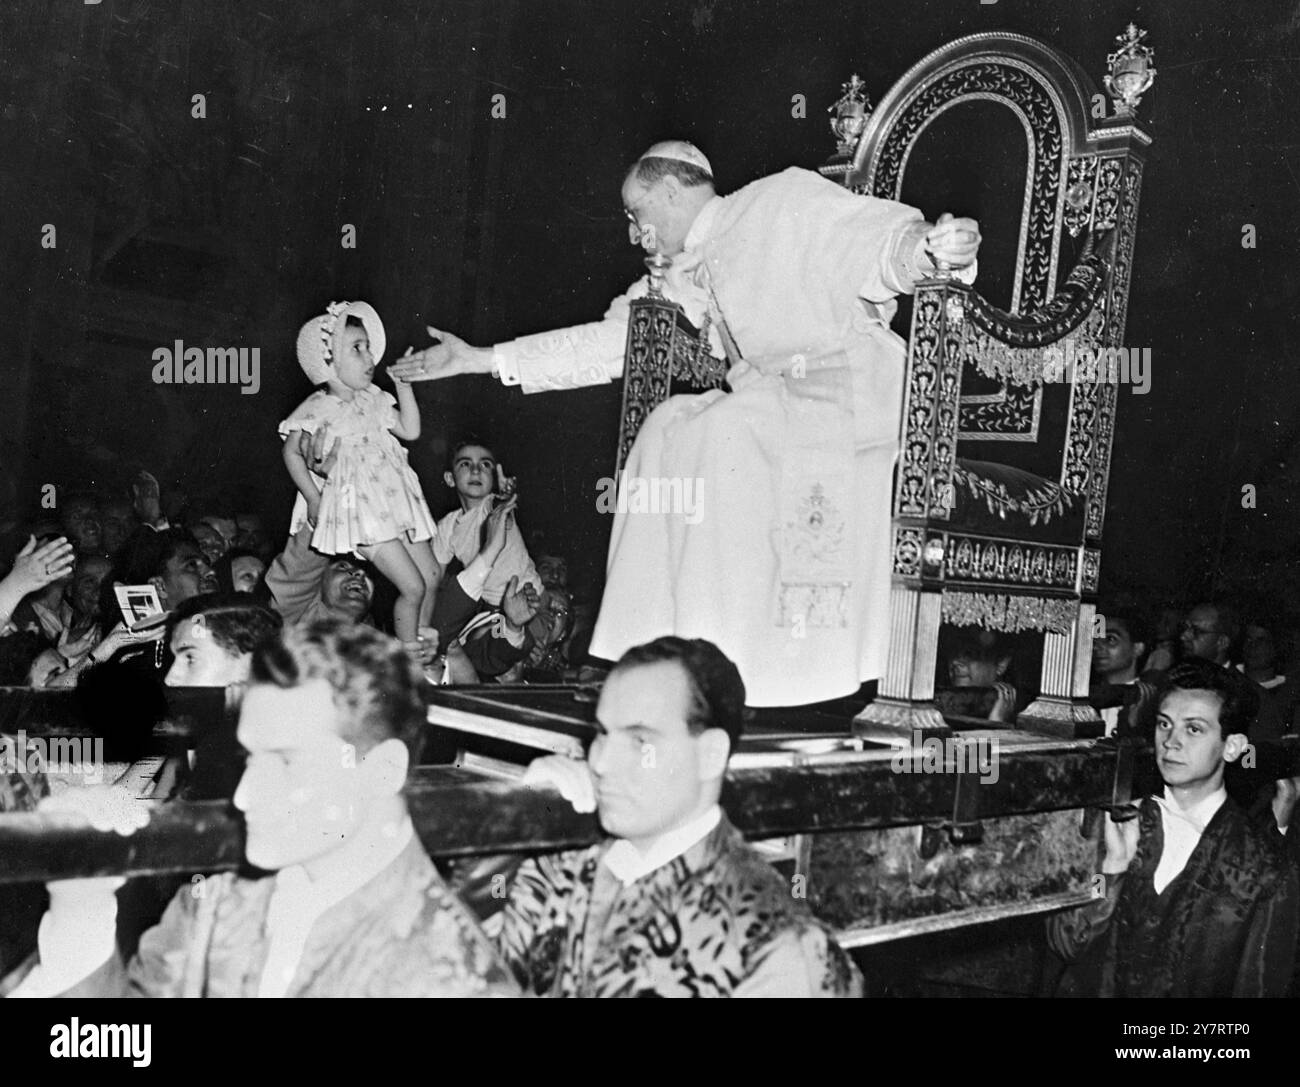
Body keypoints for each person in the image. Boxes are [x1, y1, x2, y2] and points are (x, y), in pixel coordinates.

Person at [392, 140, 980, 706]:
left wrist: (932, 247)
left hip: (848, 386)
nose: (631, 231)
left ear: (671, 191)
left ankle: (760, 661)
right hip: (771, 402)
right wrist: (480, 359)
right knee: (667, 429)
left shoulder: (778, 198)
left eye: (635, 212)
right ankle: (657, 653)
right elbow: (605, 344)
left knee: (716, 433)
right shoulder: (681, 272)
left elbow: (873, 242)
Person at [5, 620, 518, 998]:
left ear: (382, 771)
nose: (245, 796)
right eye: (250, 759)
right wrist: (82, 906)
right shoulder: (224, 895)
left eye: (287, 762)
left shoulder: (450, 978)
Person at [483, 635, 863, 997]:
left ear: (710, 755)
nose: (600, 761)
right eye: (602, 732)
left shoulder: (777, 947)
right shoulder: (560, 865)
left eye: (641, 741)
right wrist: (519, 816)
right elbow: (460, 971)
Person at [1047, 660, 1299, 997]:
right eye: (1165, 724)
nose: (1171, 742)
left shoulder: (1265, 868)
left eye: (1193, 729)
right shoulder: (1110, 823)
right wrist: (1110, 873)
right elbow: (1065, 943)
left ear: (1233, 746)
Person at [280, 300, 439, 647]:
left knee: (431, 574)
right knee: (412, 586)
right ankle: (408, 654)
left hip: (395, 505)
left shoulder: (374, 398)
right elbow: (291, 451)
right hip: (363, 514)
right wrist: (313, 496)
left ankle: (421, 637)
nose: (370, 358)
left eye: (368, 348)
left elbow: (410, 431)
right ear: (329, 360)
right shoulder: (318, 406)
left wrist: (404, 387)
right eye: (357, 349)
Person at [436, 437, 540, 608]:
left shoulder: (493, 505)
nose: (476, 470)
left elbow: (500, 505)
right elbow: (434, 576)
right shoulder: (446, 526)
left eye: (485, 464)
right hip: (491, 607)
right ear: (450, 478)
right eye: (465, 464)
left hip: (531, 597)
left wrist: (505, 495)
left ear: (493, 478)